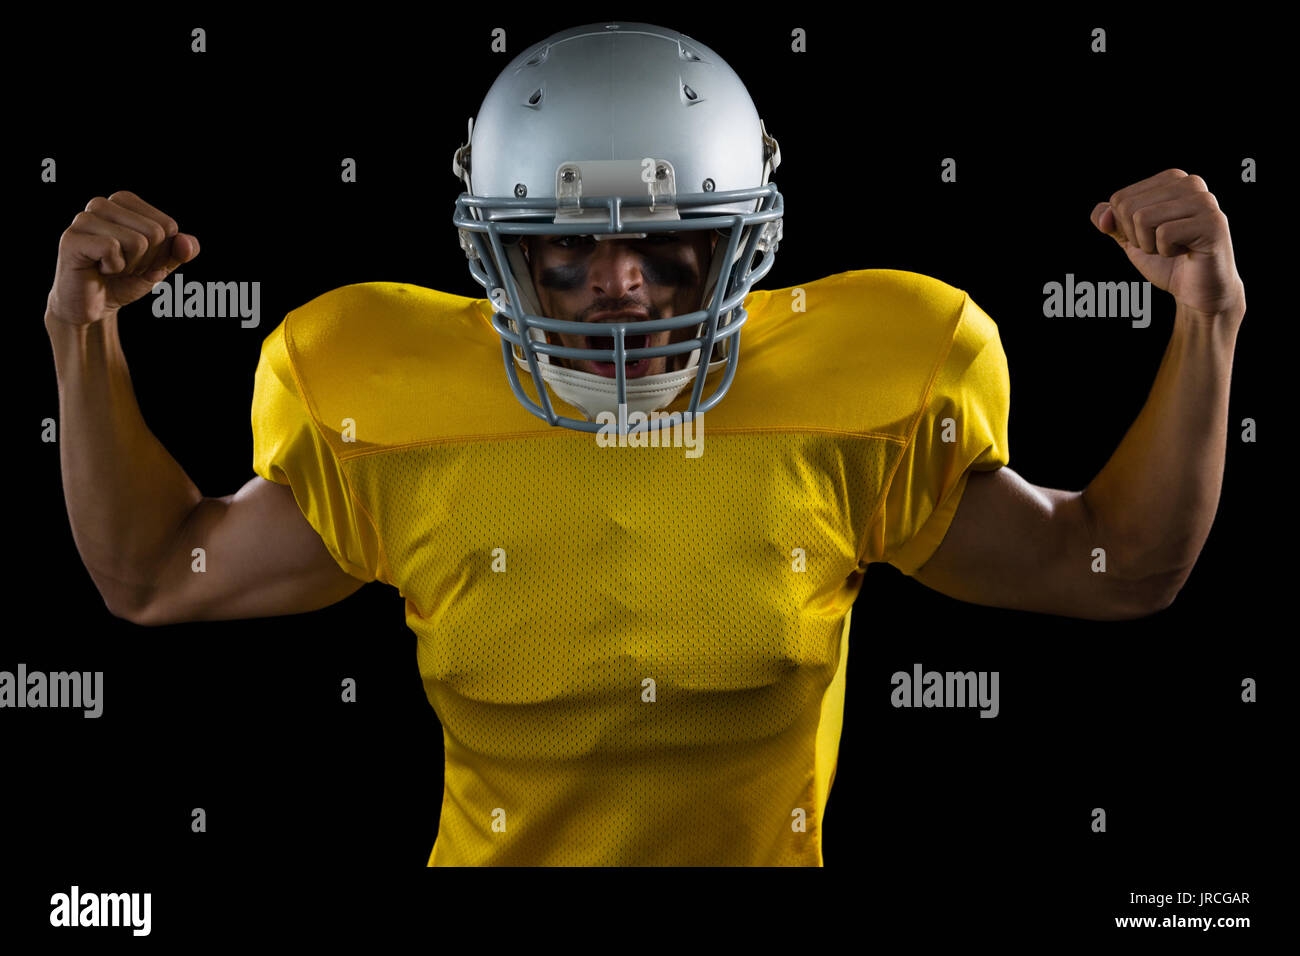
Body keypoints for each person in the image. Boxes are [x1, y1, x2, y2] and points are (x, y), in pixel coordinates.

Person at [43, 22, 1246, 866]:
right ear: (492, 253)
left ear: (744, 242)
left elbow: (1119, 566)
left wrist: (1207, 324)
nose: (620, 286)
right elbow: (153, 576)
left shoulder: (863, 389)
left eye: (668, 244)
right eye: (564, 252)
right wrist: (80, 339)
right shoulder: (384, 408)